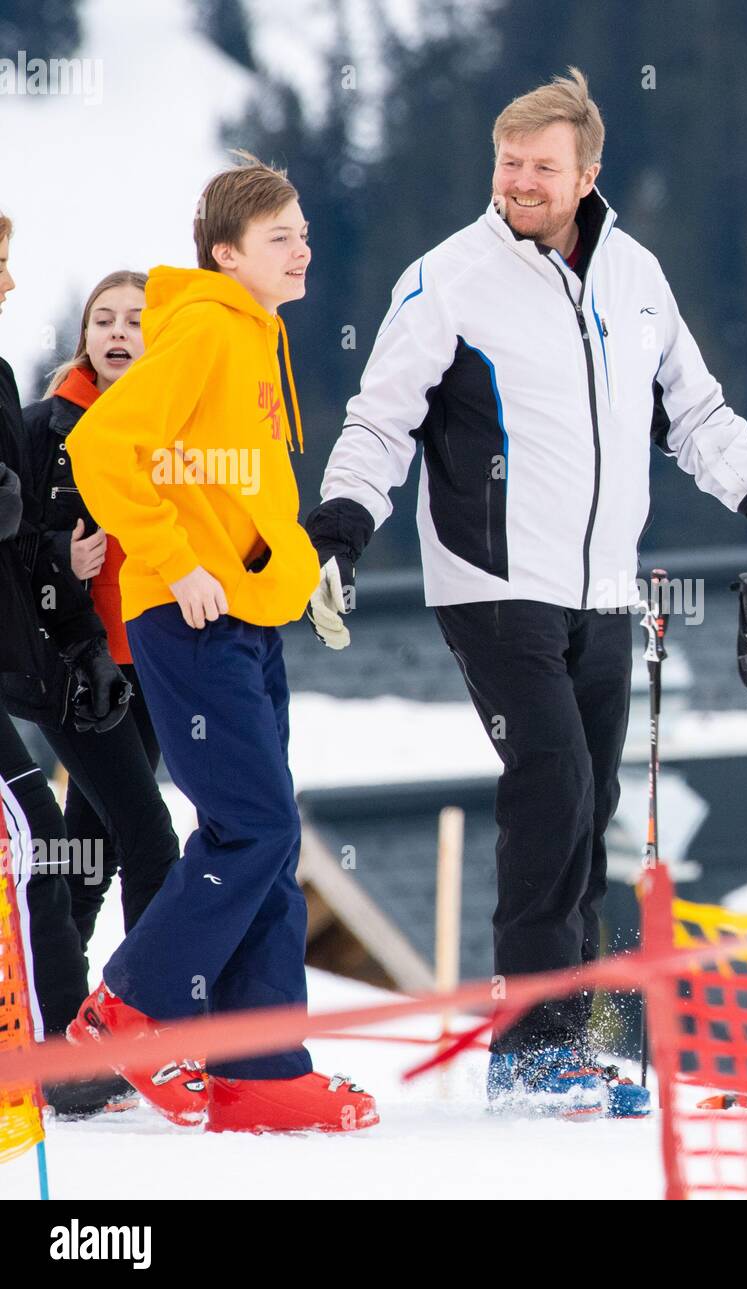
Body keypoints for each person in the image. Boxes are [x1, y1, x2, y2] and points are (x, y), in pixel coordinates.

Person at [304, 69, 747, 1118]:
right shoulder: (447, 279)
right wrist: (341, 532)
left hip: (602, 589)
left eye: (542, 168)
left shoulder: (634, 276)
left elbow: (693, 410)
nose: (520, 184)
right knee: (550, 787)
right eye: (508, 166)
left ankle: (567, 1035)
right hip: (491, 581)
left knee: (588, 812)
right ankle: (530, 1049)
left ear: (588, 173)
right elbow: (379, 420)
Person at [64, 154, 376, 1134]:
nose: (303, 249)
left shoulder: (253, 336)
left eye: (304, 233)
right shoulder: (203, 328)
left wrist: (293, 571)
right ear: (226, 252)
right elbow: (104, 448)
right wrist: (173, 559)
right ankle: (130, 1010)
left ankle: (261, 1069)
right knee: (253, 830)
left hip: (250, 620)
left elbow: (234, 493)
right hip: (190, 619)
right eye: (281, 237)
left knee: (268, 838)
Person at [0, 212, 137, 1118]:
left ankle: (61, 1046)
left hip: (99, 667)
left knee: (66, 851)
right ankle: (68, 1055)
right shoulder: (48, 415)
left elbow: (25, 550)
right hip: (52, 673)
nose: (10, 283)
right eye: (105, 319)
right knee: (47, 847)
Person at [4, 271, 180, 952]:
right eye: (103, 320)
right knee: (151, 838)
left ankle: (56, 1025)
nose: (117, 332)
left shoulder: (177, 426)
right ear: (84, 339)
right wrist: (60, 556)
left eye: (135, 321)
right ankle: (151, 1026)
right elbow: (8, 538)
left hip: (153, 664)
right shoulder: (39, 427)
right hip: (73, 668)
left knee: (89, 855)